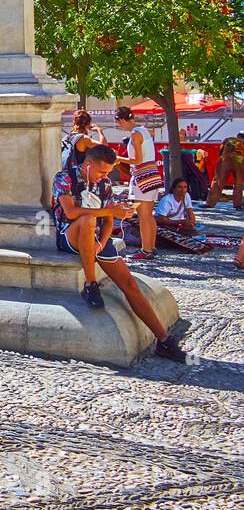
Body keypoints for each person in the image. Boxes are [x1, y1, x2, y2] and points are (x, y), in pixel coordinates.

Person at [52, 145, 187, 362]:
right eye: (102, 172)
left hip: (96, 237)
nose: (105, 177)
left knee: (130, 284)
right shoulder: (64, 177)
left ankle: (164, 340)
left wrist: (103, 242)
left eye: (107, 173)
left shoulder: (104, 184)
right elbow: (70, 212)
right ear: (87, 166)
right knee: (86, 220)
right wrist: (111, 211)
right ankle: (90, 283)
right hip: (69, 234)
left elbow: (107, 222)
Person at [115, 105, 159, 261]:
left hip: (142, 175)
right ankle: (151, 247)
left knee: (144, 216)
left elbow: (137, 160)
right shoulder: (143, 130)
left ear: (121, 120)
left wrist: (119, 159)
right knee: (149, 215)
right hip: (152, 174)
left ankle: (146, 250)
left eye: (118, 122)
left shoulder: (135, 134)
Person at [206, 132, 244, 210]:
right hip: (240, 161)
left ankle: (210, 203)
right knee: (238, 183)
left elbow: (220, 151)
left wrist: (220, 161)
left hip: (225, 159)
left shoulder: (228, 139)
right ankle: (238, 205)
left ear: (237, 136)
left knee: (218, 181)